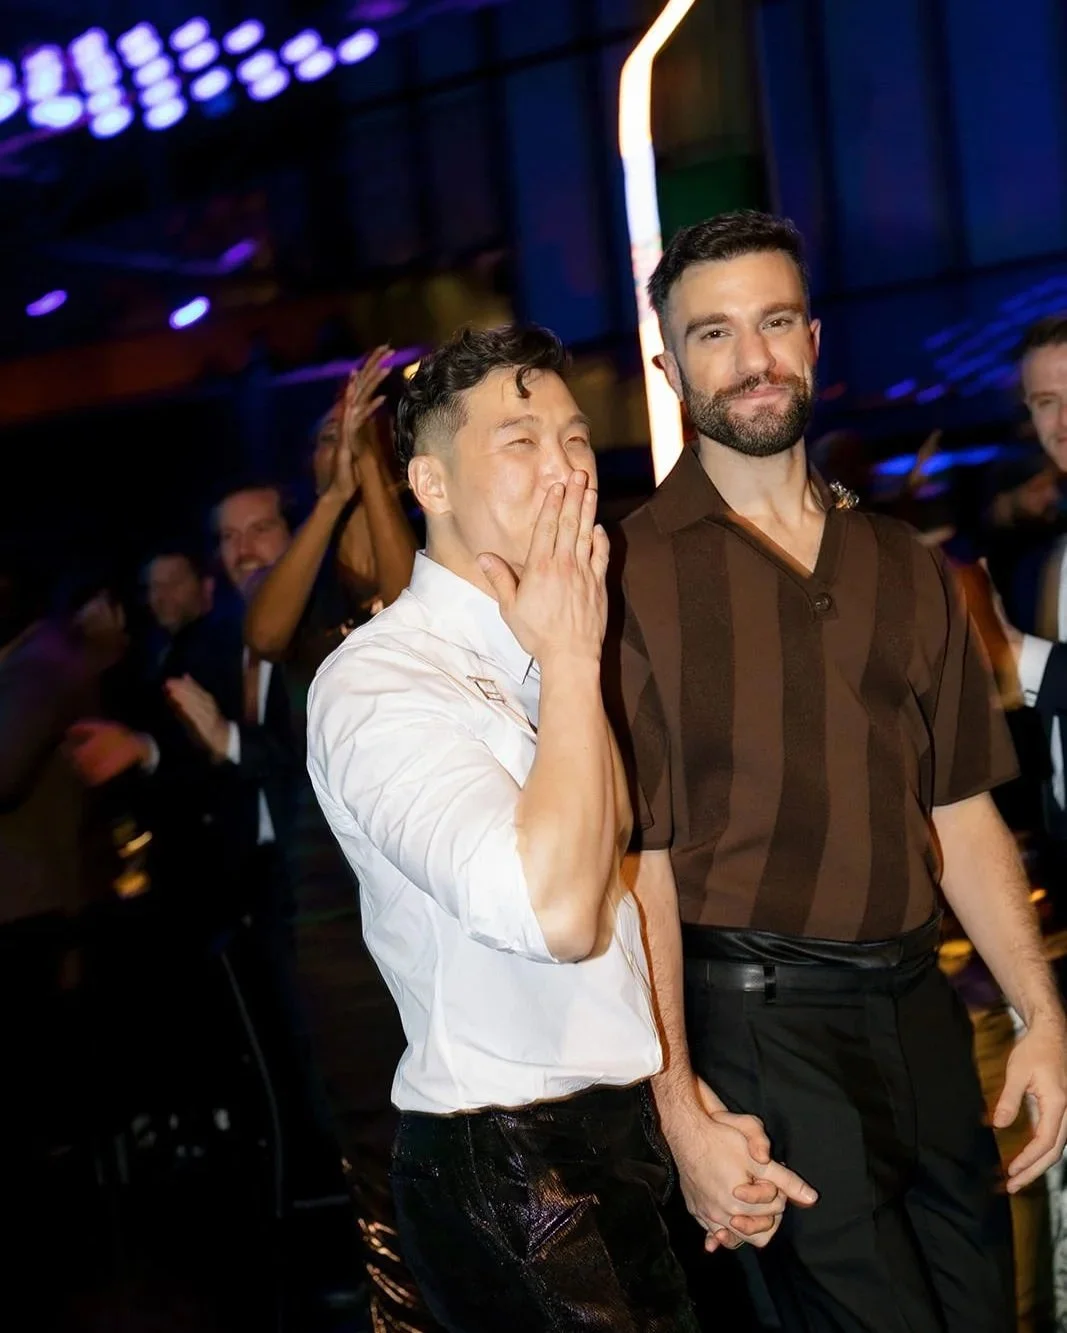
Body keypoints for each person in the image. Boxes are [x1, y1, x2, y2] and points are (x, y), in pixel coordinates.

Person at [607, 209, 1067, 1333]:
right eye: (713, 333)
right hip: (757, 1031)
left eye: (773, 323)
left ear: (812, 340)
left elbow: (960, 809)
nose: (752, 357)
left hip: (921, 1014)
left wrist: (1040, 1012)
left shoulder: (901, 563)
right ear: (669, 369)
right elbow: (635, 870)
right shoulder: (626, 575)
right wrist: (678, 1107)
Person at [306, 324, 815, 1333]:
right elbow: (558, 915)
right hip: (510, 1168)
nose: (565, 468)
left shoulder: (557, 641)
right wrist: (576, 662)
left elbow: (637, 878)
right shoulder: (380, 679)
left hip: (616, 1130)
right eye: (520, 441)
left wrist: (681, 1110)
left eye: (575, 439)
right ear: (431, 484)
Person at [243, 350, 432, 1332]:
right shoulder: (299, 580)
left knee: (446, 1115)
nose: (342, 446)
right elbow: (265, 638)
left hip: (420, 875)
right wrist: (329, 497)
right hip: (329, 895)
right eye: (326, 435)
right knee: (369, 1119)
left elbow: (405, 612)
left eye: (355, 433)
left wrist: (369, 473)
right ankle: (399, 1311)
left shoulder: (419, 563)